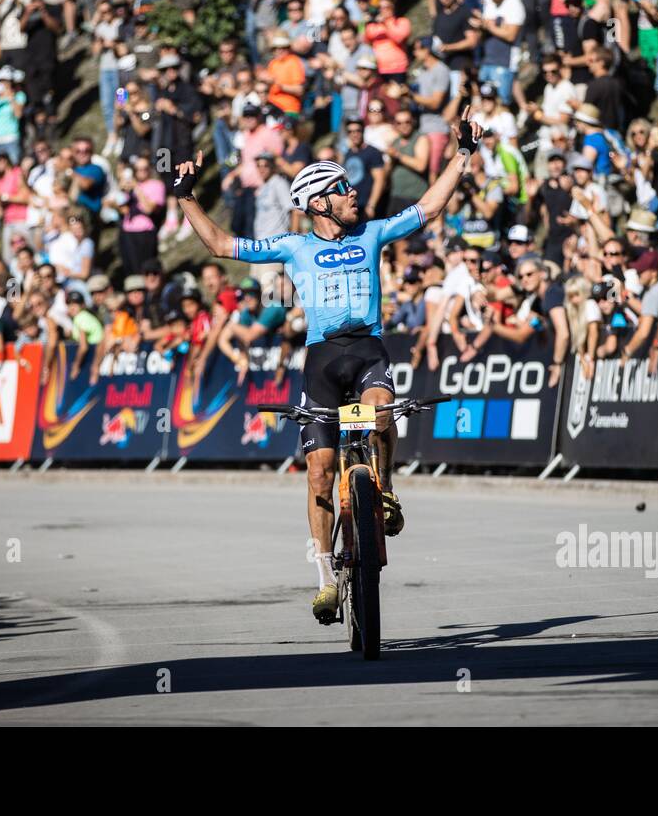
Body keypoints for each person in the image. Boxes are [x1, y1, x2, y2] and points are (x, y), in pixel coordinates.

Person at [172, 108, 483, 624]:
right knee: (318, 472)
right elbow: (223, 245)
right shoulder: (294, 247)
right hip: (321, 361)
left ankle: (382, 488)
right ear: (319, 203)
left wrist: (464, 154)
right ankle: (322, 580)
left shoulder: (372, 233)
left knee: (381, 411)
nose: (353, 195)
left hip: (367, 352)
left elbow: (429, 206)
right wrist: (185, 196)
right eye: (342, 190)